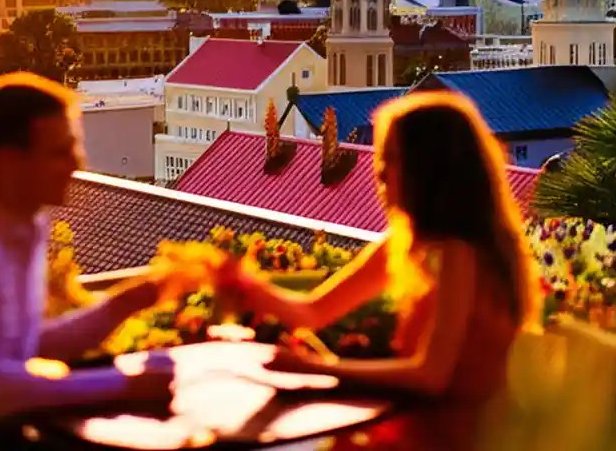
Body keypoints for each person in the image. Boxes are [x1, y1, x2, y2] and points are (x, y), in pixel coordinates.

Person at [0, 73, 173, 442]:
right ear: (10, 161)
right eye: (60, 151)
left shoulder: (26, 224)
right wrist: (125, 384)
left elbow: (20, 346)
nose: (77, 163)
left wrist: (122, 305)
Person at [218, 90, 539, 404]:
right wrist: (242, 285)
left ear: (429, 170)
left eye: (391, 158)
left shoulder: (459, 254)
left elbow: (431, 377)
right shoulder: (406, 242)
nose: (379, 171)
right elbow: (313, 312)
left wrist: (317, 368)